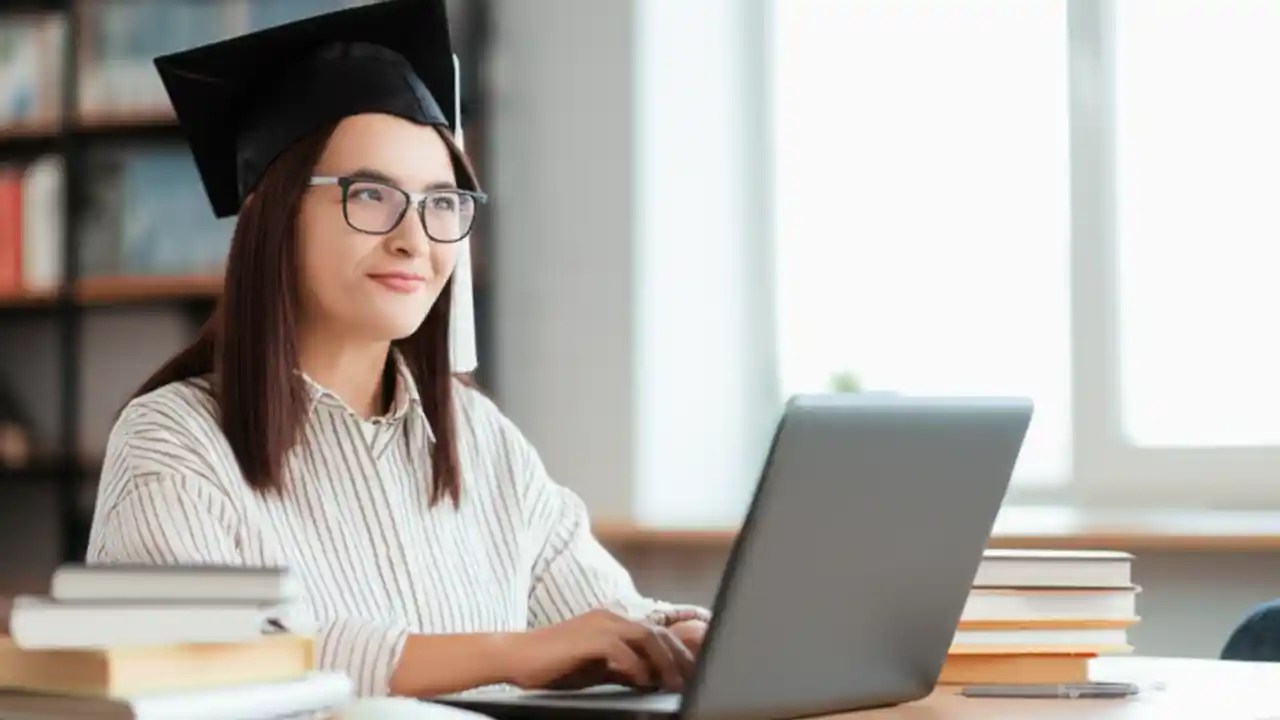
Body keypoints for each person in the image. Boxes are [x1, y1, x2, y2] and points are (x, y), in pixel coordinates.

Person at [85, 0, 709, 699]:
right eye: (372, 195)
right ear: (274, 212)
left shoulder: (479, 441)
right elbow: (219, 660)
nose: (415, 237)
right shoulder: (173, 443)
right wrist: (508, 653)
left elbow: (600, 616)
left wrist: (683, 637)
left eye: (442, 203)